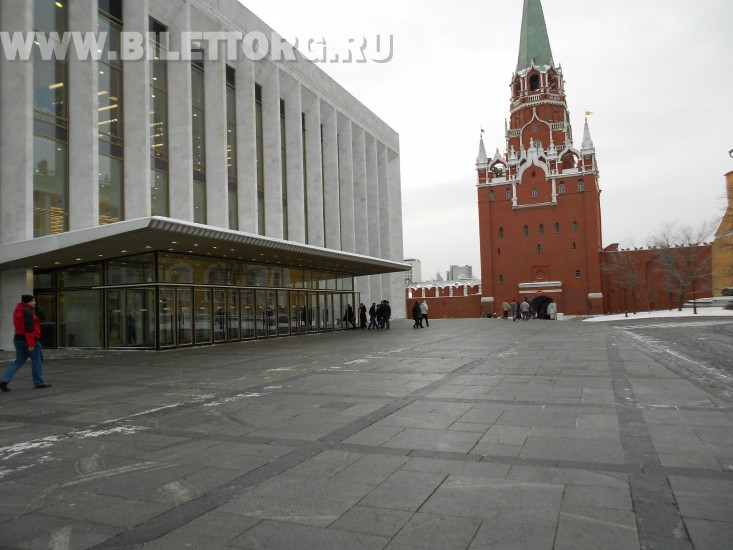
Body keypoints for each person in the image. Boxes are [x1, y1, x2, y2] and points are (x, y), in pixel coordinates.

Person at [1, 295, 51, 392]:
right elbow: (28, 328)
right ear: (27, 302)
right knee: (37, 361)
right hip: (29, 340)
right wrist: (31, 343)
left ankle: (4, 380)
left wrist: (38, 319)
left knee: (18, 361)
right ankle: (39, 383)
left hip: (18, 339)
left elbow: (26, 324)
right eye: (33, 301)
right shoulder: (27, 312)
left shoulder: (18, 309)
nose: (35, 302)